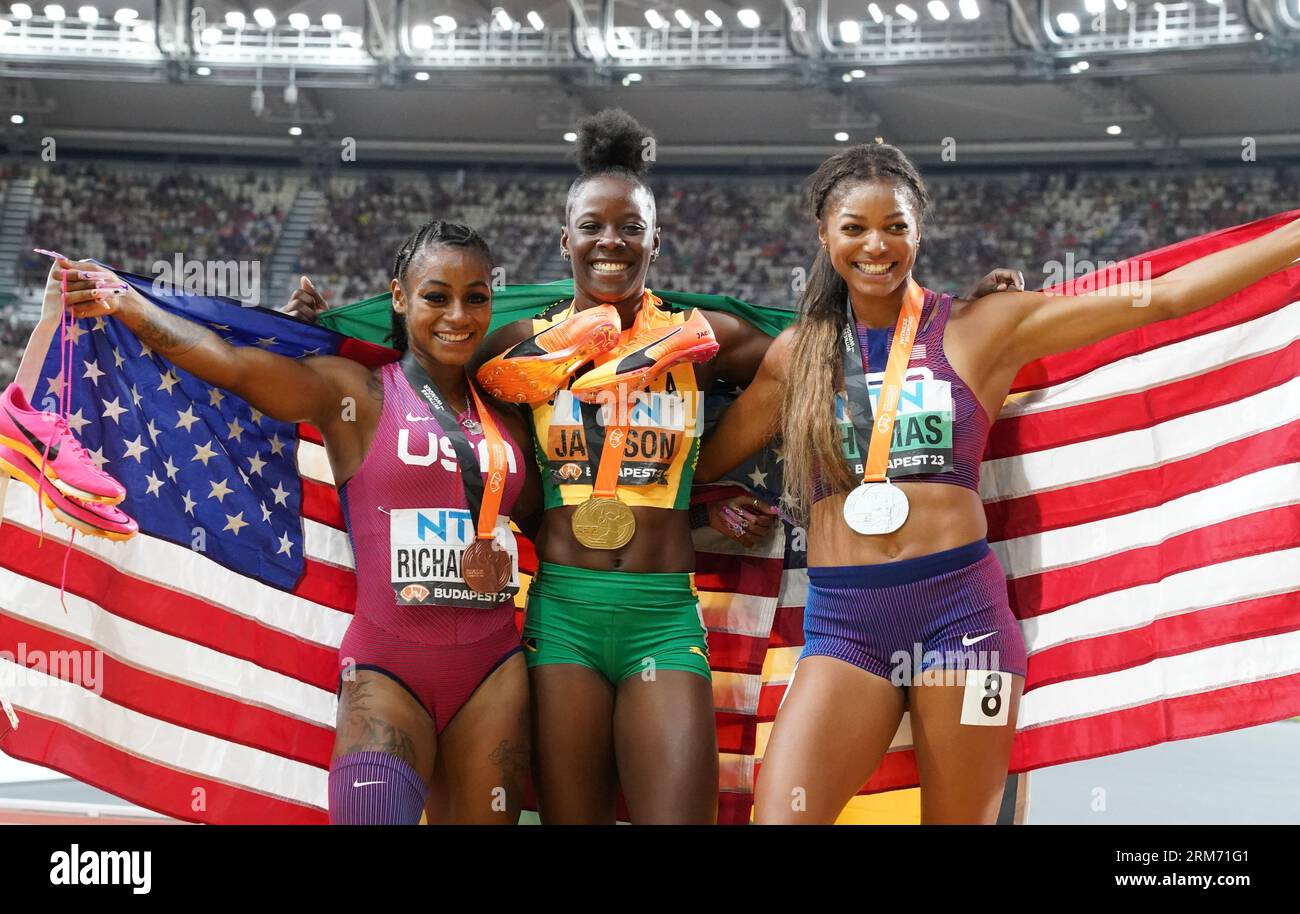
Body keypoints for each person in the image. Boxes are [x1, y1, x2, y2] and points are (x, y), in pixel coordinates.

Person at [282, 116, 1019, 823]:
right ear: (563, 236)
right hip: (562, 616)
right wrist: (317, 333)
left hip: (664, 617)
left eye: (630, 228)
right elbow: (418, 356)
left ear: (654, 240)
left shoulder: (703, 340)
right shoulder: (512, 344)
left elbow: (840, 343)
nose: (612, 241)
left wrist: (959, 317)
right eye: (594, 226)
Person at [697, 140, 1300, 823]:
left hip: (963, 624)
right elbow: (706, 464)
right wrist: (714, 502)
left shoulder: (986, 327)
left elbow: (1162, 298)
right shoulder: (795, 357)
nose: (878, 245)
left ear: (919, 231)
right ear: (823, 234)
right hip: (846, 627)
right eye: (855, 227)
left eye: (896, 226)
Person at [53, 220, 540, 824]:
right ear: (399, 296)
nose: (458, 315)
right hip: (388, 674)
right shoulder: (356, 394)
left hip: (494, 673)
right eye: (436, 296)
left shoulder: (513, 420)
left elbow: (555, 525)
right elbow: (231, 364)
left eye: (476, 297)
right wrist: (129, 304)